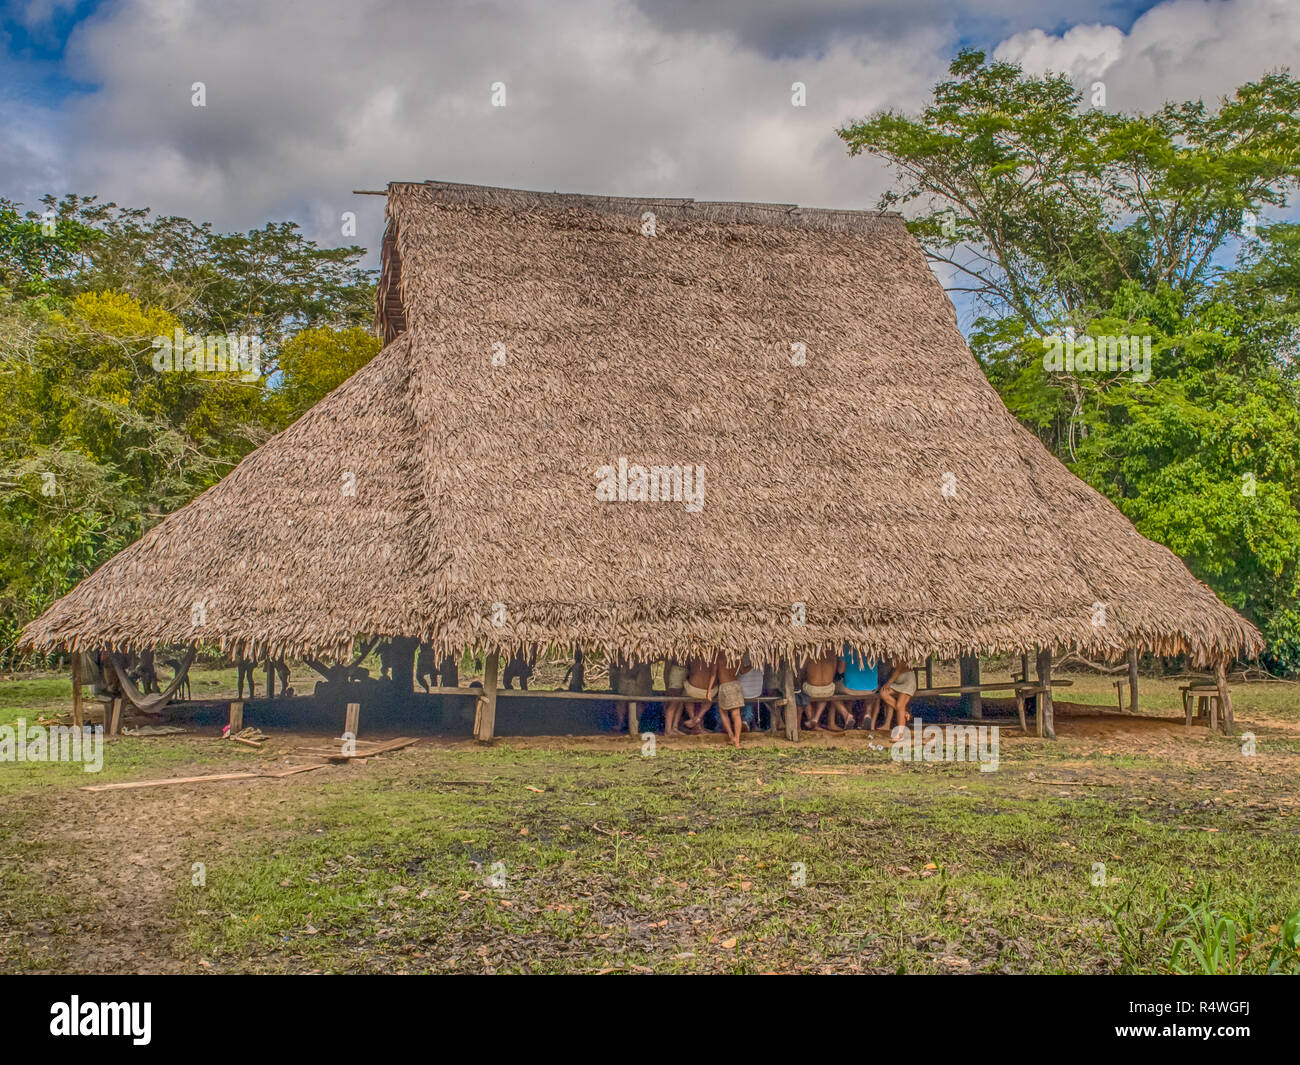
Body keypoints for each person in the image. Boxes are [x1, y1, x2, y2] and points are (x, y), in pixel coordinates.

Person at [836, 645, 881, 729]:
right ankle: (868, 713)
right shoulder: (875, 648)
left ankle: (847, 715)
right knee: (874, 686)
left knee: (830, 690)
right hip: (871, 690)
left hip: (850, 689)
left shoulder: (846, 648)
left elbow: (840, 670)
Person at [878, 658, 917, 736]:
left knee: (900, 705)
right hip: (897, 683)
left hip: (908, 682)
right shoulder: (892, 653)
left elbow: (898, 669)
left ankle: (900, 734)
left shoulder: (903, 653)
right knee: (883, 692)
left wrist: (888, 683)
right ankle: (903, 714)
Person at [715, 654, 746, 747]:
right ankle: (737, 741)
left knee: (723, 711)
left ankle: (731, 736)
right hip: (736, 685)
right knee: (736, 714)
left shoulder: (718, 658)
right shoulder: (736, 657)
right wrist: (753, 665)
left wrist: (709, 690)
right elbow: (743, 671)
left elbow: (713, 674)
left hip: (725, 686)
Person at [801, 651, 838, 730]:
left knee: (801, 693)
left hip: (812, 689)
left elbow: (803, 671)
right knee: (825, 693)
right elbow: (834, 671)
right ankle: (816, 718)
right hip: (828, 689)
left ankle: (811, 719)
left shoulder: (808, 653)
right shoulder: (831, 653)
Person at [681, 655, 717, 734]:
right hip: (707, 691)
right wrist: (709, 690)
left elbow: (691, 672)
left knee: (685, 694)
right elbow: (713, 674)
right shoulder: (714, 657)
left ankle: (693, 719)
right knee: (711, 697)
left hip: (693, 689)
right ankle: (698, 718)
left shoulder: (693, 656)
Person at [615, 657, 652, 733]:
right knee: (622, 700)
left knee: (641, 701)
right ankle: (621, 723)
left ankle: (636, 723)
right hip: (627, 673)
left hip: (642, 674)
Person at [737, 655, 764, 733]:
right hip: (753, 686)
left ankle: (747, 723)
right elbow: (742, 671)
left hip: (749, 686)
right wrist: (754, 663)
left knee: (747, 706)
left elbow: (742, 671)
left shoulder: (740, 654)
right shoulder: (760, 654)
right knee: (748, 705)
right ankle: (746, 722)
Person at [663, 658, 688, 735]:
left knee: (680, 703)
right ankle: (668, 730)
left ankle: (674, 727)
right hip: (677, 672)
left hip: (682, 671)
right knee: (674, 702)